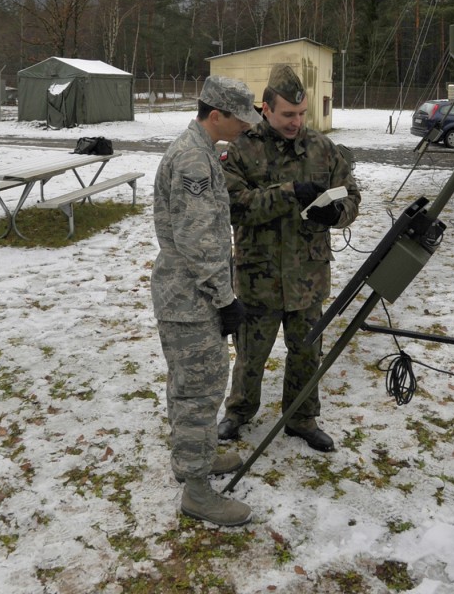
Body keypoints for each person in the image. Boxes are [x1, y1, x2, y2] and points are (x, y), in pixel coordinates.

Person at [218, 63, 360, 453]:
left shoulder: (322, 149)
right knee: (250, 355)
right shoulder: (242, 148)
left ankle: (301, 417)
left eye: (301, 114)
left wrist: (339, 213)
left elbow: (351, 194)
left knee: (306, 354)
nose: (296, 122)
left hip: (308, 276)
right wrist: (289, 192)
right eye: (287, 115)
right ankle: (240, 411)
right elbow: (233, 206)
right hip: (258, 277)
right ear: (266, 109)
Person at [151, 75, 261, 527]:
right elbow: (198, 240)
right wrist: (225, 298)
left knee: (186, 383)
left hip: (185, 293)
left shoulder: (198, 149)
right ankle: (197, 492)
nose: (247, 127)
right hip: (193, 296)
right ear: (216, 115)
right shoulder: (194, 159)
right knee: (200, 389)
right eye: (241, 119)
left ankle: (190, 458)